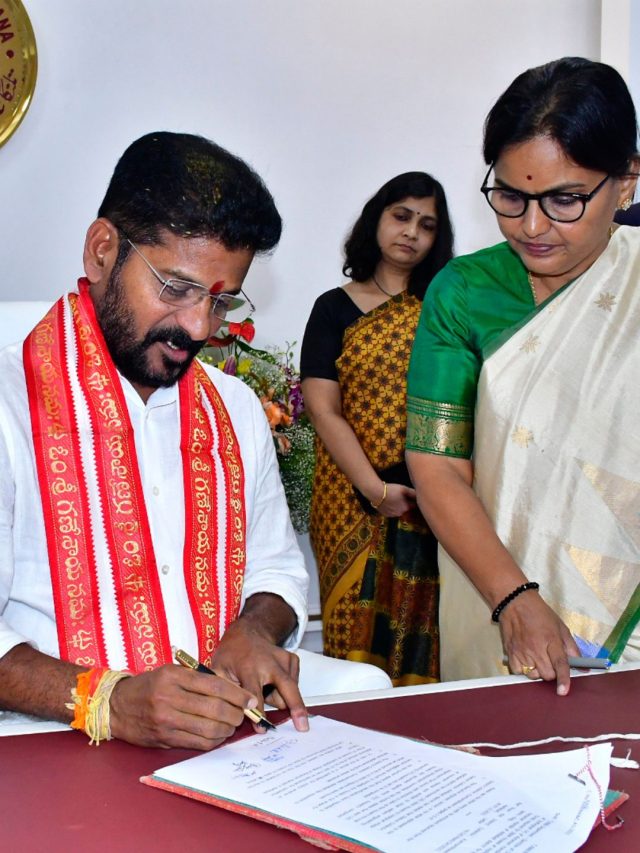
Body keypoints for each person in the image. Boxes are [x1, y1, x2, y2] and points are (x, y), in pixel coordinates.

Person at [0, 131, 390, 750]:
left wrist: (255, 633)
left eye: (221, 300)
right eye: (175, 288)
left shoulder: (232, 407)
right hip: (46, 738)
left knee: (373, 692)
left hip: (219, 735)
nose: (198, 327)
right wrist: (108, 702)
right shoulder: (10, 399)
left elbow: (276, 569)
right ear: (103, 251)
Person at [406, 57, 640, 695]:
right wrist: (514, 600)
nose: (531, 227)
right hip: (493, 599)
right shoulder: (463, 293)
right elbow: (437, 468)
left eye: (564, 200)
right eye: (510, 196)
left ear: (626, 182)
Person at [301, 173, 454, 685]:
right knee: (352, 638)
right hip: (351, 497)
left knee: (427, 631)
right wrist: (375, 488)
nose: (411, 232)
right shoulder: (333, 308)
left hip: (432, 497)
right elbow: (324, 409)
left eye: (427, 225)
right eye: (401, 216)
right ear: (377, 220)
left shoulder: (444, 310)